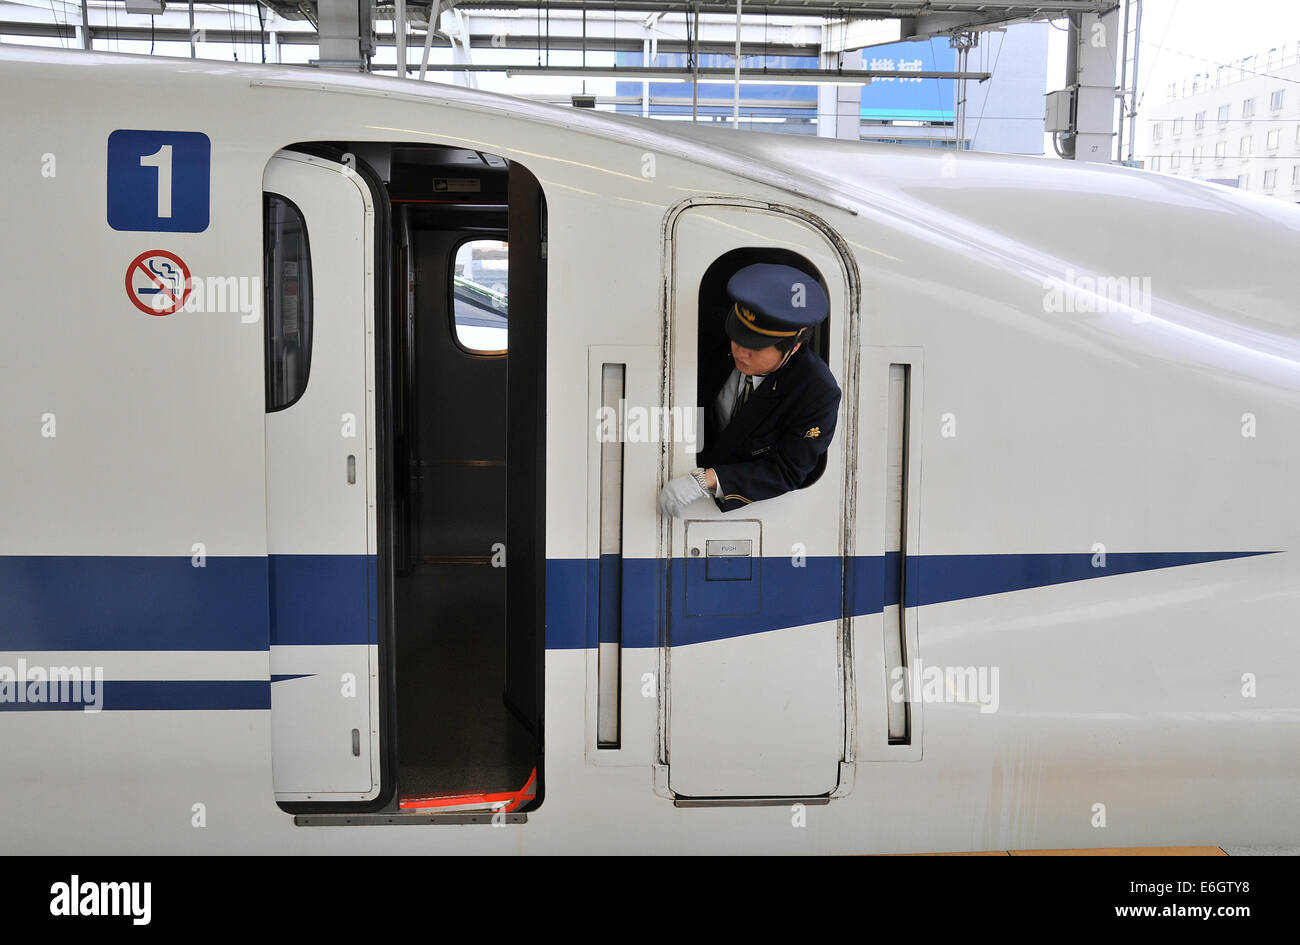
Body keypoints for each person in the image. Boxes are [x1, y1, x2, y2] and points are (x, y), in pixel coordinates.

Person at [658, 262, 841, 517]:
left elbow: (786, 470)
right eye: (738, 338)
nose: (740, 352)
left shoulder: (815, 391)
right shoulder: (710, 334)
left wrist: (705, 480)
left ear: (793, 347)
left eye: (755, 347)